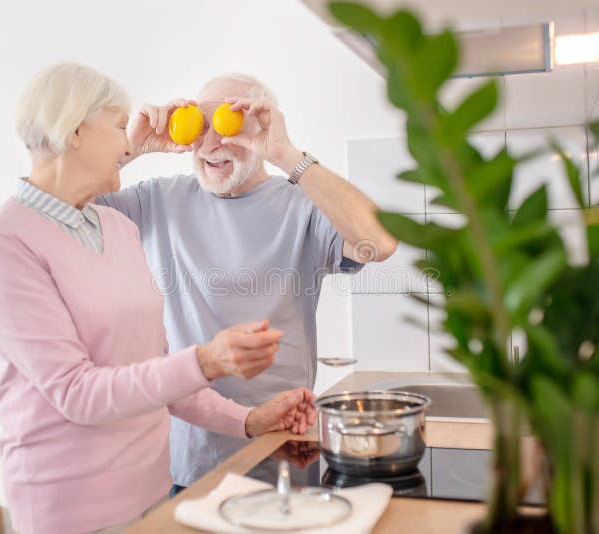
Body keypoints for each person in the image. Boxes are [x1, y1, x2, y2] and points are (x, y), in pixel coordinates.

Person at [0, 62, 316, 534]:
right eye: (118, 128)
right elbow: (77, 394)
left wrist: (250, 419)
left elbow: (155, 368)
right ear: (75, 132)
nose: (129, 143)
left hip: (155, 495)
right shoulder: (4, 243)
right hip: (71, 510)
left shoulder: (117, 226)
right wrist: (208, 361)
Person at [96, 73, 398, 492]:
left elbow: (378, 241)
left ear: (261, 128)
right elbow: (52, 215)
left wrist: (288, 155)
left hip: (287, 450)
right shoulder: (157, 201)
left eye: (226, 125)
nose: (209, 144)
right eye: (199, 126)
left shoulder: (302, 206)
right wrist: (129, 149)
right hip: (187, 465)